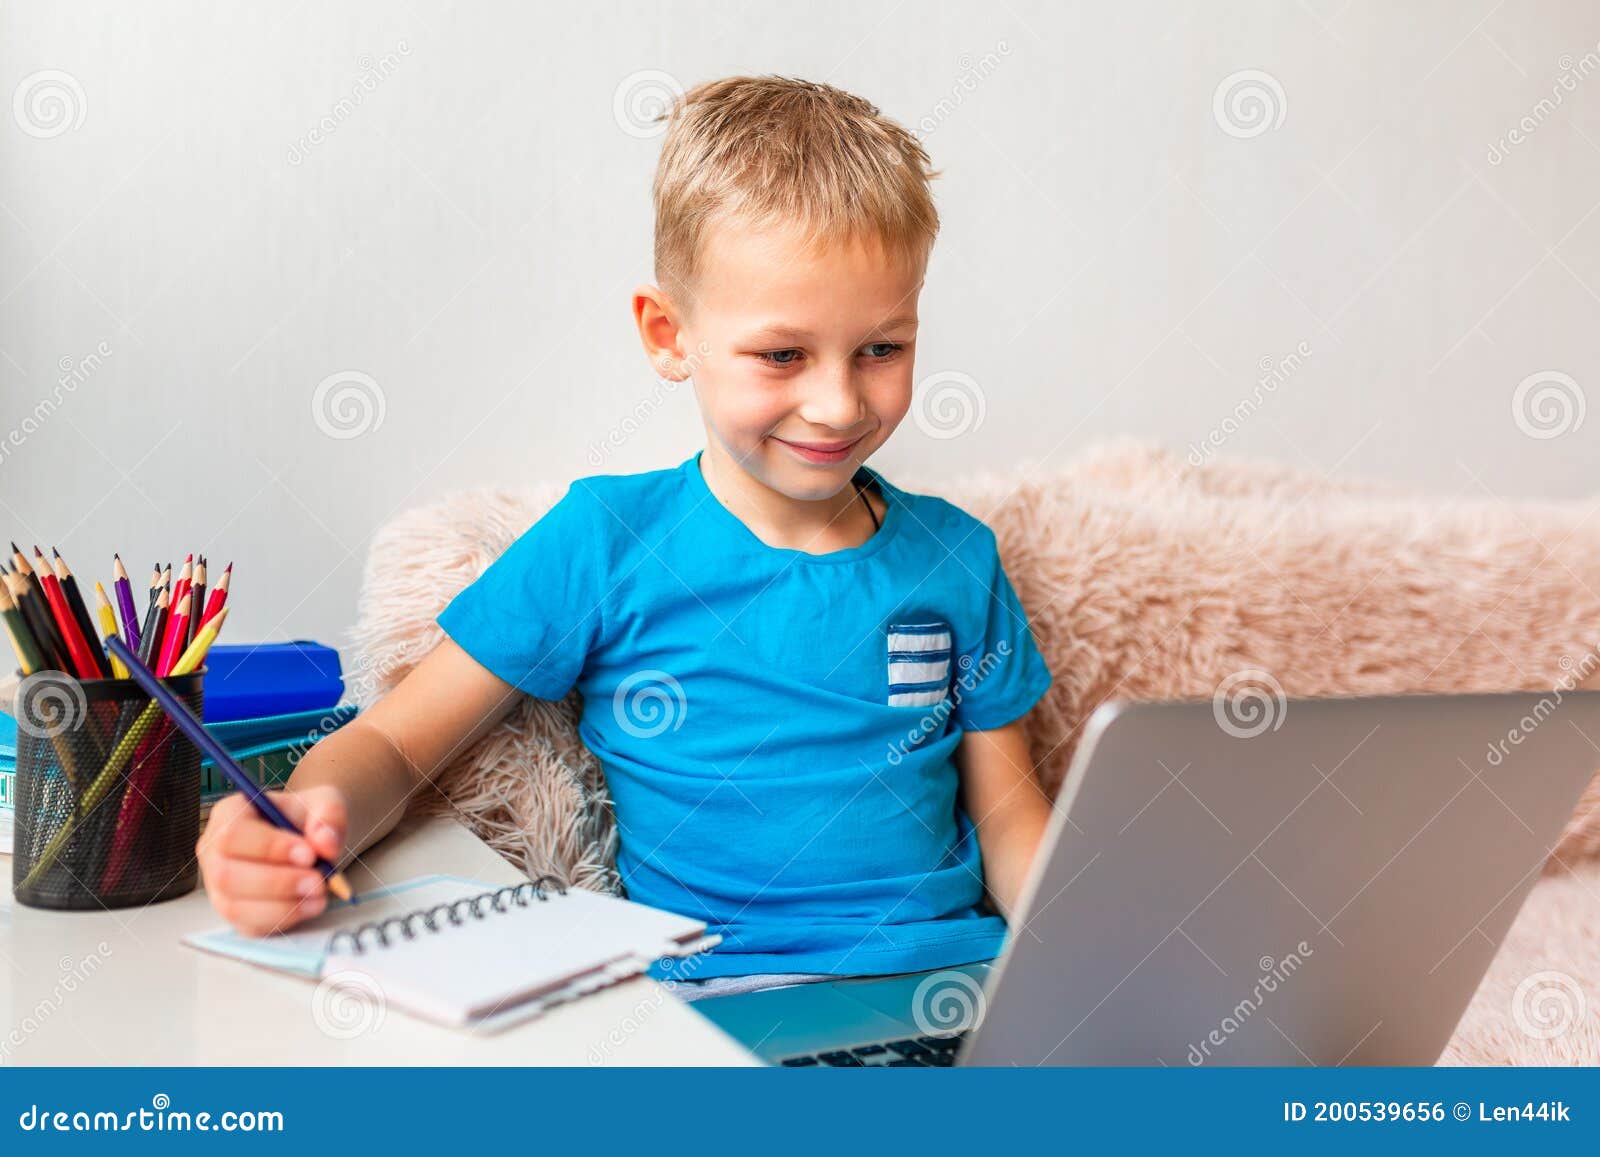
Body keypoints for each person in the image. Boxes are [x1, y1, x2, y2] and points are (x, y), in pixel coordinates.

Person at [199, 75, 1055, 995]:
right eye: (782, 354)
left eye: (882, 348)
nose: (840, 401)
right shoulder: (605, 540)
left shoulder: (958, 556)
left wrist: (1091, 943)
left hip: (962, 985)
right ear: (667, 333)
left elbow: (1011, 823)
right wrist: (305, 815)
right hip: (715, 1004)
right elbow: (398, 746)